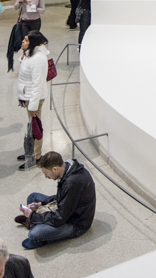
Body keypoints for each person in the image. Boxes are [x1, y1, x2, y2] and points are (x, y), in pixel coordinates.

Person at [15, 151, 96, 249]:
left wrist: (32, 215)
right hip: (68, 209)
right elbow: (61, 196)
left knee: (34, 234)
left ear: (55, 169)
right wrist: (41, 203)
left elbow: (59, 218)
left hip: (76, 224)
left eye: (46, 173)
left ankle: (36, 225)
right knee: (32, 197)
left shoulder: (72, 183)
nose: (46, 177)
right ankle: (34, 221)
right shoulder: (68, 168)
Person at [16, 31, 49, 170]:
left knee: (35, 127)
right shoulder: (31, 55)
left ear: (34, 43)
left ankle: (36, 156)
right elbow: (26, 66)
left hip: (34, 98)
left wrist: (33, 106)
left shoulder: (38, 59)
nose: (23, 42)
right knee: (31, 125)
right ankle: (30, 152)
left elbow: (37, 84)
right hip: (28, 96)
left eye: (26, 40)